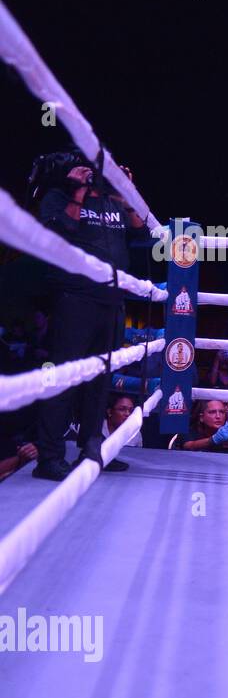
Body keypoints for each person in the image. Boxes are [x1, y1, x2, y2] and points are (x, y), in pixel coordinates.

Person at [29, 149, 148, 480]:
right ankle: (49, 458)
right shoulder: (57, 197)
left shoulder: (113, 201)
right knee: (65, 379)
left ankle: (92, 451)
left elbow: (140, 230)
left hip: (112, 302)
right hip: (74, 301)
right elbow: (61, 230)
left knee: (100, 381)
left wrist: (126, 192)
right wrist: (76, 191)